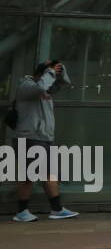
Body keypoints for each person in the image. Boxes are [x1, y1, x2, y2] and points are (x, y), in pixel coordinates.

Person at [11, 60, 78, 222]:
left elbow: (63, 84)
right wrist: (50, 71)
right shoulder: (26, 86)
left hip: (44, 137)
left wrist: (61, 72)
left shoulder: (46, 87)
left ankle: (50, 210)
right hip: (29, 137)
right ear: (42, 74)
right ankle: (30, 212)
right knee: (35, 175)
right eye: (49, 75)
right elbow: (40, 87)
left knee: (40, 174)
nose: (52, 79)